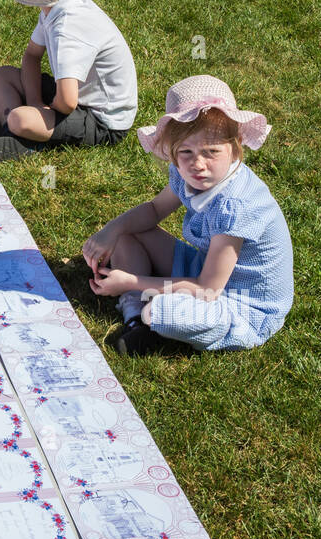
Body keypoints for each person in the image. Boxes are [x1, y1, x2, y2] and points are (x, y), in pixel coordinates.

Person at [82, 76, 294, 358]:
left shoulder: (235, 205)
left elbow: (208, 289)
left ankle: (138, 308)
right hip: (205, 268)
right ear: (172, 151)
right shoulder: (188, 176)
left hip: (240, 305)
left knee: (159, 311)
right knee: (127, 232)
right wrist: (111, 229)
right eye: (186, 152)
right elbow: (155, 210)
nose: (198, 164)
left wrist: (132, 281)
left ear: (235, 147)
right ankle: (136, 317)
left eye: (211, 152)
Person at [0, 0, 138, 162]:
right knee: (3, 76)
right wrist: (35, 101)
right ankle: (21, 129)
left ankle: (23, 135)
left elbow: (67, 101)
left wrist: (36, 111)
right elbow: (32, 55)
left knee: (19, 119)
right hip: (73, 93)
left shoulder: (68, 28)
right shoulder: (57, 6)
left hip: (102, 120)